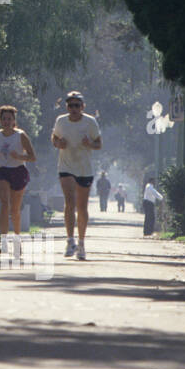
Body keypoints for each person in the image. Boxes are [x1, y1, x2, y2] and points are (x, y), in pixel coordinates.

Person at [52, 90, 102, 260]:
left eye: (77, 105)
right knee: (69, 202)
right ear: (67, 106)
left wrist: (90, 144)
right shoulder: (61, 121)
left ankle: (81, 243)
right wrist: (58, 143)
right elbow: (54, 137)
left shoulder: (90, 122)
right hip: (66, 166)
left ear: (82, 107)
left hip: (84, 169)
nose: (73, 108)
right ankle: (70, 240)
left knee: (81, 207)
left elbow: (99, 144)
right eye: (70, 105)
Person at [0, 105, 36, 256]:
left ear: (14, 121)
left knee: (15, 209)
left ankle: (17, 240)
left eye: (9, 119)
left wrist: (19, 157)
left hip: (18, 171)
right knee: (5, 204)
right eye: (4, 119)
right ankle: (4, 242)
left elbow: (33, 157)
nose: (6, 121)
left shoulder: (21, 136)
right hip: (0, 170)